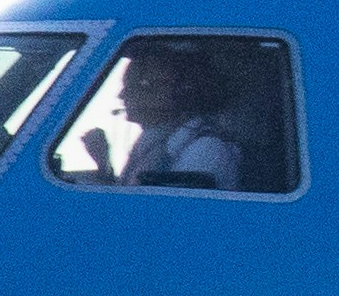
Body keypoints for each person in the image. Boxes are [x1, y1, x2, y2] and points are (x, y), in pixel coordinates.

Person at [73, 43, 243, 189]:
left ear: (185, 91)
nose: (123, 95)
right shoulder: (156, 140)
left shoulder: (205, 149)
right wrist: (104, 164)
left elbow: (158, 216)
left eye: (141, 84)